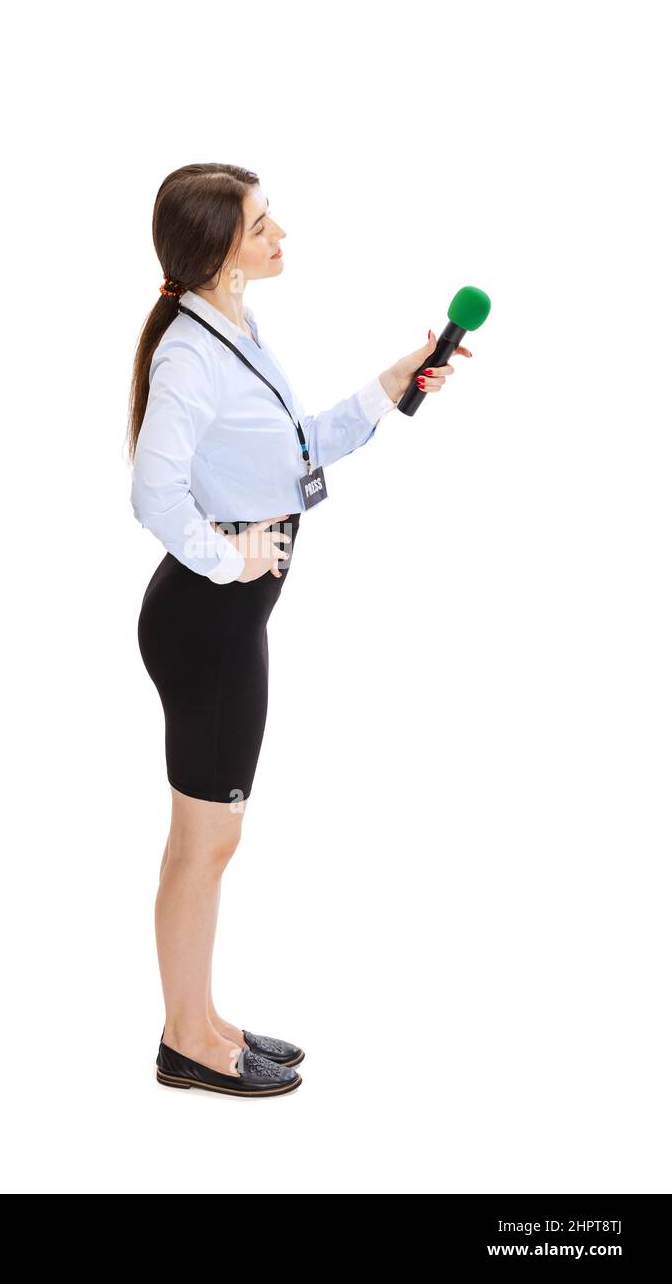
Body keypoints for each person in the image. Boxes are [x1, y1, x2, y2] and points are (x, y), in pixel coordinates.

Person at [125, 163, 471, 1097]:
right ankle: (185, 1042)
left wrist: (388, 386)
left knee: (214, 838)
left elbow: (294, 451)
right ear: (218, 251)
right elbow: (151, 492)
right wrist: (228, 557)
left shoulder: (231, 324)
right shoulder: (189, 356)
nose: (281, 234)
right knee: (205, 842)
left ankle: (198, 1021)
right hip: (207, 622)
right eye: (262, 224)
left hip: (228, 619)